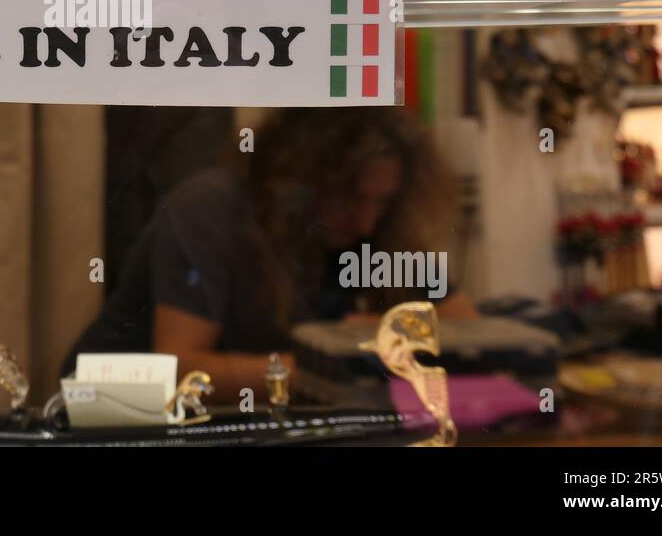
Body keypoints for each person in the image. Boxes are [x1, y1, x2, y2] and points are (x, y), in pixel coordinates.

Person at [66, 107, 473, 397]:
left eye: (382, 202)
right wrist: (331, 362)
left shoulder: (382, 232)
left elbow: (466, 326)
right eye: (349, 197)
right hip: (115, 420)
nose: (366, 222)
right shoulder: (210, 210)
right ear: (303, 178)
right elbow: (178, 370)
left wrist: (392, 332)